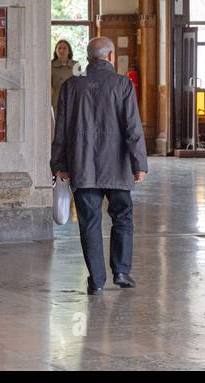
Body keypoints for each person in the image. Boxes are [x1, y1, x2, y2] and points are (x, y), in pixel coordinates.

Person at [51, 36, 147, 295]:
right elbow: (133, 128)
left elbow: (61, 130)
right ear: (111, 56)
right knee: (123, 218)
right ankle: (122, 271)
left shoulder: (71, 87)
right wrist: (140, 164)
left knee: (89, 222)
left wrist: (58, 163)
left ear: (88, 57)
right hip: (117, 167)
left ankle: (97, 280)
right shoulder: (123, 84)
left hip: (83, 167)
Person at [50, 39, 76, 109]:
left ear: (69, 51)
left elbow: (81, 85)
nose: (61, 51)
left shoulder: (76, 65)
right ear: (55, 51)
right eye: (59, 48)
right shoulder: (50, 65)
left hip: (72, 99)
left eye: (64, 48)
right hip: (56, 100)